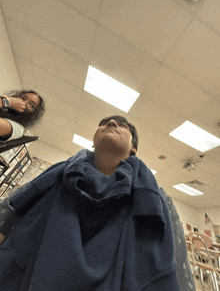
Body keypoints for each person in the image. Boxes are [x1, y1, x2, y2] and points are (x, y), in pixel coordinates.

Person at [0, 115, 180, 290]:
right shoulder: (60, 172)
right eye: (103, 123)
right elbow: (12, 211)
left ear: (133, 147)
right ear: (93, 141)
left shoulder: (155, 198)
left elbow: (170, 269)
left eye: (122, 125)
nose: (110, 123)